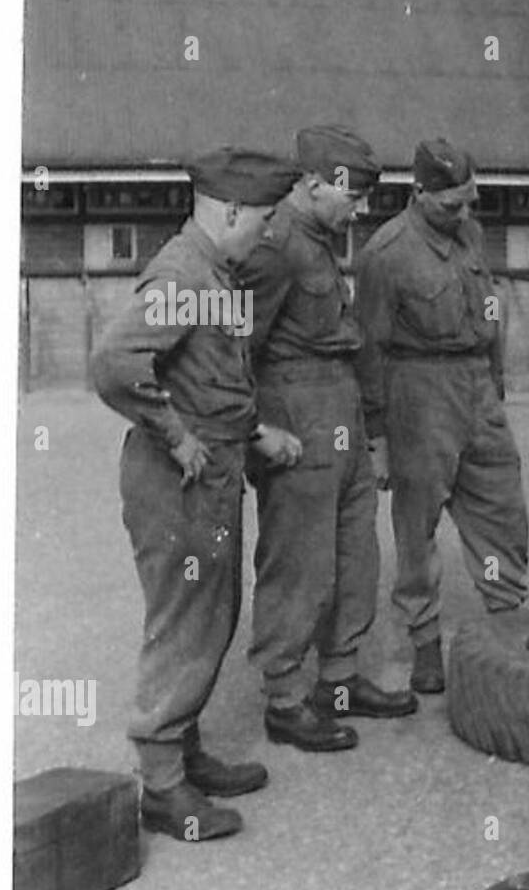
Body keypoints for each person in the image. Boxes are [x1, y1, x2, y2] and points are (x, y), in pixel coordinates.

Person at [91, 147, 302, 841]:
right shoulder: (186, 273)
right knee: (186, 619)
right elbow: (114, 363)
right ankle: (161, 785)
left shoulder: (217, 271)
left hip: (208, 470)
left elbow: (212, 377)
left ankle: (181, 751)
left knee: (212, 609)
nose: (269, 231)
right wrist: (175, 434)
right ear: (232, 210)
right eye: (265, 218)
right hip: (176, 479)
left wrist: (253, 431)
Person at [237, 124, 416, 754]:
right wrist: (255, 433)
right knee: (299, 562)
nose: (361, 209)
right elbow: (237, 351)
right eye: (352, 195)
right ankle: (285, 699)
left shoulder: (318, 240)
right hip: (296, 417)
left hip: (339, 410)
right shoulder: (274, 246)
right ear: (313, 184)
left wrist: (373, 434)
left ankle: (337, 684)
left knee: (353, 556)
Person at [356, 138, 529, 694]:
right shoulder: (386, 254)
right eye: (452, 205)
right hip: (418, 390)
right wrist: (377, 436)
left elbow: (491, 314)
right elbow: (369, 350)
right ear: (419, 193)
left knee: (501, 507)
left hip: (476, 384)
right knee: (418, 523)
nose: (464, 214)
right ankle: (425, 640)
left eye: (470, 201)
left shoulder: (470, 234)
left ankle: (507, 622)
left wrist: (495, 387)